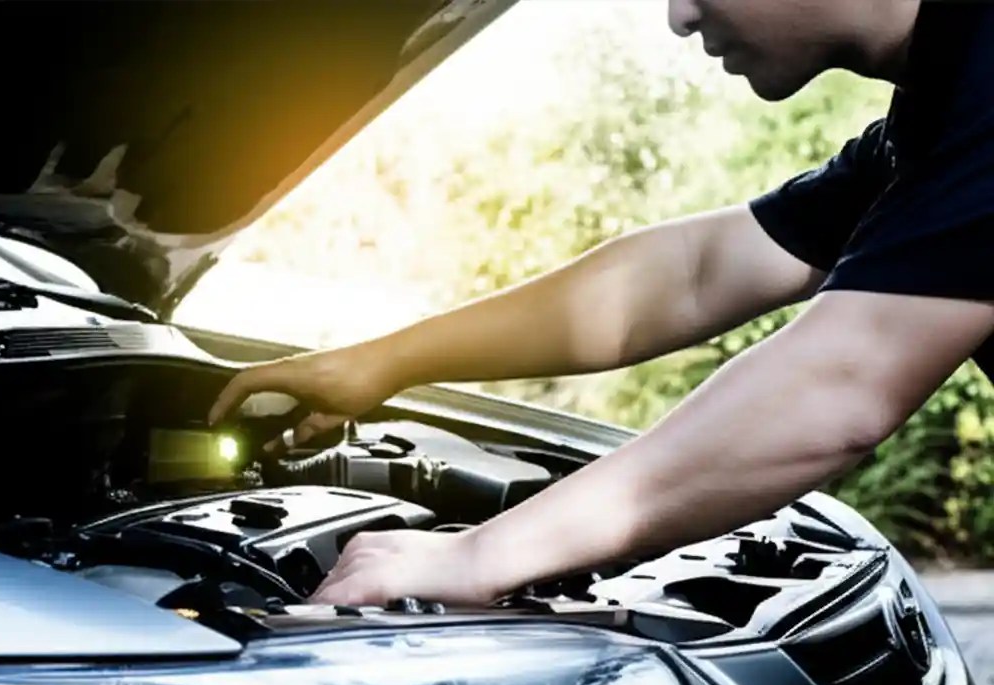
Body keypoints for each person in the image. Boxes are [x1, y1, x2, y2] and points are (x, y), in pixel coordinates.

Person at [207, 0, 994, 608]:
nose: (678, 15)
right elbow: (696, 271)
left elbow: (841, 385)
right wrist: (382, 362)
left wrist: (478, 556)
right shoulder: (936, 116)